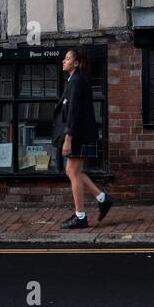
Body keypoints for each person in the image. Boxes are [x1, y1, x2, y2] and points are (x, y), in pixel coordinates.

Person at [53, 47, 112, 229]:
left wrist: (68, 137)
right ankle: (103, 199)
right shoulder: (75, 81)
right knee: (73, 172)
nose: (64, 61)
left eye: (68, 59)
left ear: (76, 63)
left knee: (72, 172)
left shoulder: (77, 81)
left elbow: (74, 112)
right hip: (80, 134)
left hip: (78, 135)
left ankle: (81, 216)